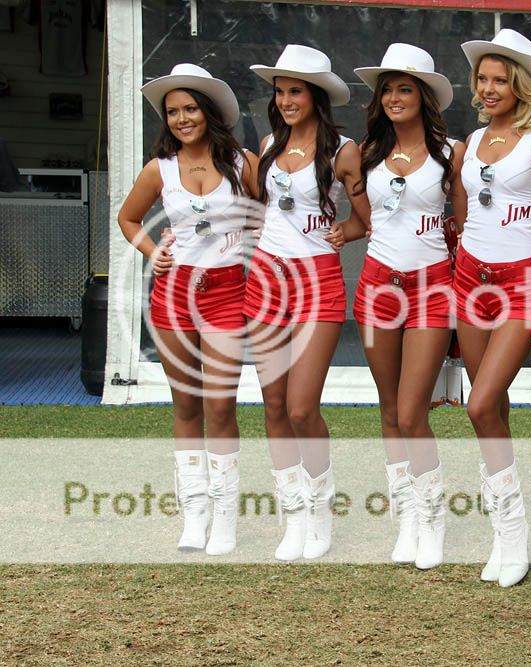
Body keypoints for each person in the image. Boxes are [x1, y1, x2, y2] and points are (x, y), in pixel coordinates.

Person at [336, 43, 466, 570]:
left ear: (424, 96)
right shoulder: (364, 153)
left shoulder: (451, 152)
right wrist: (333, 232)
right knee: (389, 409)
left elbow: (467, 224)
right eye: (387, 89)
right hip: (376, 287)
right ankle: (407, 519)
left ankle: (432, 520)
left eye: (404, 88)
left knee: (412, 411)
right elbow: (363, 221)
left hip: (432, 287)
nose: (394, 97)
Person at [118, 64, 257, 556]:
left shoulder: (242, 163)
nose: (182, 119)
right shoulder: (159, 168)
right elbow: (128, 218)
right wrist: (153, 251)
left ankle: (225, 518)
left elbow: (266, 219)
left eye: (190, 108)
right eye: (173, 112)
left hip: (227, 294)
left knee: (220, 404)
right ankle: (194, 517)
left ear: (209, 111)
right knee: (185, 405)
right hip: (173, 295)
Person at [245, 45, 370, 561]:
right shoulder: (268, 144)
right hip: (265, 281)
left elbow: (365, 220)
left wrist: (344, 230)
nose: (286, 100)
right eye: (280, 91)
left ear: (316, 96)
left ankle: (320, 511)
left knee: (301, 407)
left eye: (295, 91)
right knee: (274, 405)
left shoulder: (343, 151)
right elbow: (263, 210)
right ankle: (293, 517)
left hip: (317, 282)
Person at [455, 29, 531, 587]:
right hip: (469, 278)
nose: (489, 88)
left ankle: (517, 533)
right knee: (492, 408)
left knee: (479, 404)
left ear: (521, 84)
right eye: (483, 79)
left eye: (500, 79)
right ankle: (506, 535)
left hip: (522, 282)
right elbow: (465, 211)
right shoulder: (470, 141)